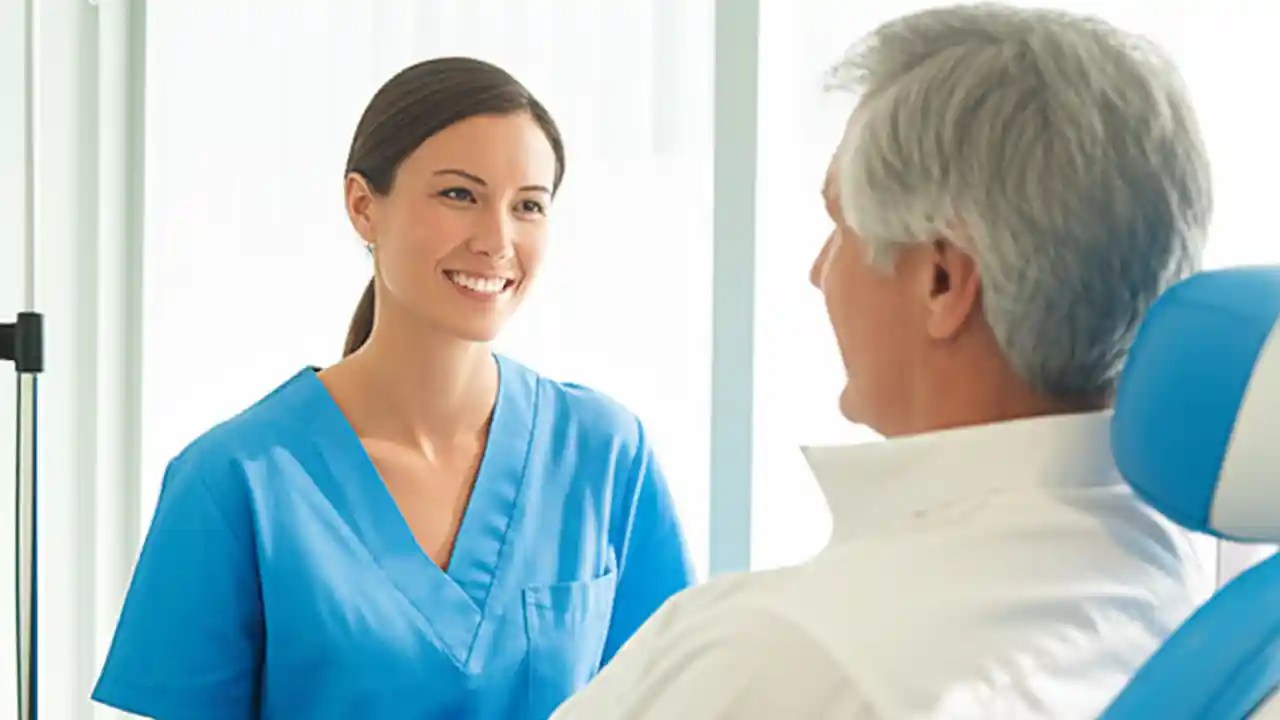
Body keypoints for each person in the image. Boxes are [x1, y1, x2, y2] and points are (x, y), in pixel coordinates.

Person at [551, 5, 1217, 718]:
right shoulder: (1177, 572)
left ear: (941, 279)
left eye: (840, 226)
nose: (818, 271)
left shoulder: (783, 659)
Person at [92, 57, 696, 720]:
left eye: (528, 206)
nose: (497, 240)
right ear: (362, 206)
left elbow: (676, 700)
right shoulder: (235, 480)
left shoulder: (604, 455)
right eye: (459, 195)